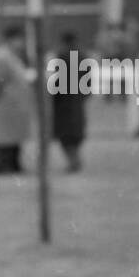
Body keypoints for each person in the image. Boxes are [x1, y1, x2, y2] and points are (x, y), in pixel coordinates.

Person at [0, 24, 31, 174]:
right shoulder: (1, 56)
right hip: (4, 104)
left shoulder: (13, 56)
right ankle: (3, 165)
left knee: (14, 136)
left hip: (15, 105)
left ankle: (14, 164)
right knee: (4, 137)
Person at [49, 30, 87, 172]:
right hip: (77, 99)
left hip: (64, 99)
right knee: (75, 132)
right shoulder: (82, 56)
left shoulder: (63, 56)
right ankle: (75, 159)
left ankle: (73, 160)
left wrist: (54, 96)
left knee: (65, 134)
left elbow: (58, 79)